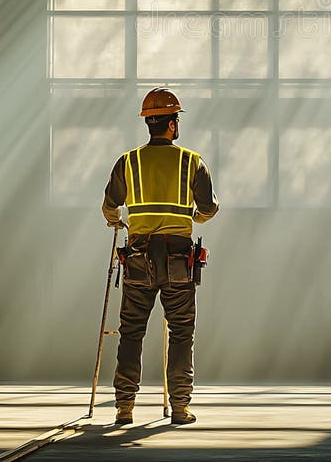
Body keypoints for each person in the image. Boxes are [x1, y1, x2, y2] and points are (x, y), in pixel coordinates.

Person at [102, 87, 219, 426]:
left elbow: (110, 206)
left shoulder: (128, 162)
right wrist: (193, 218)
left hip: (138, 258)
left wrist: (118, 222)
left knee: (132, 332)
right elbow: (209, 208)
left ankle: (125, 407)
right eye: (177, 119)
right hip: (180, 261)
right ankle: (180, 407)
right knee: (182, 331)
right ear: (171, 125)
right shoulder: (192, 161)